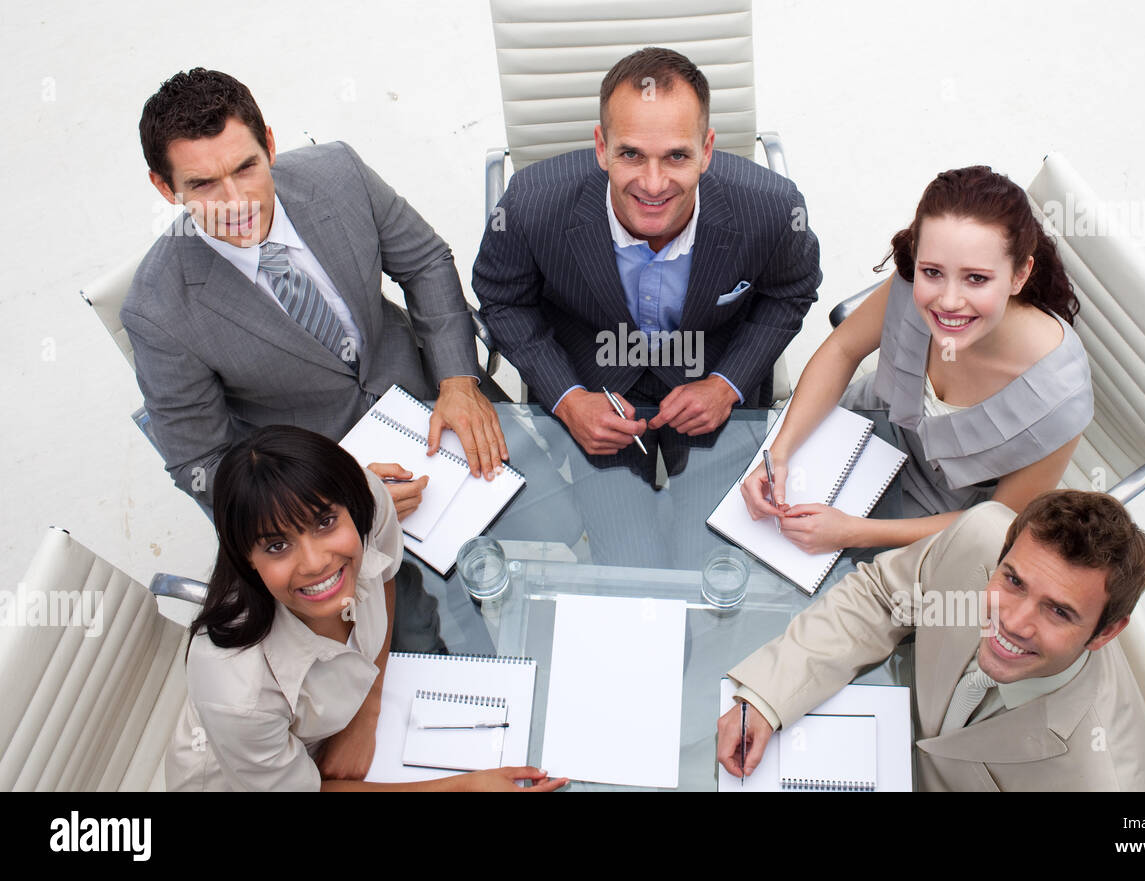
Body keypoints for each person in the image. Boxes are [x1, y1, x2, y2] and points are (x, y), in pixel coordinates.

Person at [123, 68, 507, 518]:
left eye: (246, 168)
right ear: (165, 187)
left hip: (434, 393)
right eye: (204, 184)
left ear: (268, 143)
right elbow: (199, 465)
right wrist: (329, 492)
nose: (236, 202)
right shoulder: (156, 310)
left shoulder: (339, 173)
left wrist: (457, 381)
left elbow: (425, 263)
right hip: (322, 489)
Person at [166, 425, 565, 792]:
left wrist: (368, 708)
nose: (315, 562)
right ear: (246, 558)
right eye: (276, 545)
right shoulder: (237, 693)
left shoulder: (369, 500)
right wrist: (463, 787)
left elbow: (385, 572)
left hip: (352, 729)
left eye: (324, 522)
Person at [472, 47, 821, 462]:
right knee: (616, 527)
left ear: (706, 150)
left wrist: (727, 384)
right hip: (589, 381)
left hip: (713, 375)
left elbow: (790, 292)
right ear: (602, 148)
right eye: (631, 154)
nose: (653, 186)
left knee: (718, 525)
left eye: (676, 155)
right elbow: (503, 298)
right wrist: (568, 398)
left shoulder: (773, 207)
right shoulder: (530, 203)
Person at [740, 165, 1092, 553]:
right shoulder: (913, 281)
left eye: (976, 278)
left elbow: (1001, 521)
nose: (949, 301)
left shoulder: (1063, 400)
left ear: (1020, 274)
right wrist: (780, 452)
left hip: (935, 523)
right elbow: (843, 349)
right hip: (855, 433)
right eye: (933, 272)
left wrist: (851, 532)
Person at [718, 491, 1145, 791]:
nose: (1013, 622)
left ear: (1106, 632)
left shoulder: (1099, 778)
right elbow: (881, 596)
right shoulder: (980, 535)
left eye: (1058, 611)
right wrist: (768, 695)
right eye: (1013, 581)